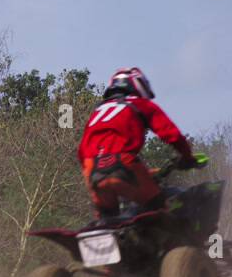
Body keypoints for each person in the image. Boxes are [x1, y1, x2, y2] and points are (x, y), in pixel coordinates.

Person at [78, 67, 196, 220]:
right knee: (159, 208)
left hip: (91, 169)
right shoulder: (141, 104)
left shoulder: (98, 110)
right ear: (137, 84)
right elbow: (171, 135)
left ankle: (107, 234)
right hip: (123, 162)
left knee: (108, 221)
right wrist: (187, 156)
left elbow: (81, 151)